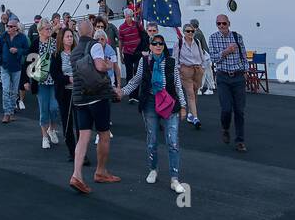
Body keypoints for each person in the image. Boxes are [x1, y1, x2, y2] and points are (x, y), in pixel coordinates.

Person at [121, 33, 186, 193]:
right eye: (155, 43)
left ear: (164, 47)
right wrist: (122, 92)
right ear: (150, 46)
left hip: (169, 102)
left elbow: (178, 85)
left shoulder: (171, 62)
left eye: (161, 44)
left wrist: (183, 105)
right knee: (152, 139)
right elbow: (136, 80)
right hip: (150, 102)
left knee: (173, 141)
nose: (158, 46)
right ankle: (153, 169)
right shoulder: (145, 62)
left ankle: (174, 178)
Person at [69, 18, 123, 194]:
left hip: (79, 99)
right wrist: (108, 64)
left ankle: (76, 174)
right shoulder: (95, 45)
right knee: (104, 134)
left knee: (84, 136)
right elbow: (100, 66)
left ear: (77, 32)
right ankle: (101, 171)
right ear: (92, 31)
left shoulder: (75, 51)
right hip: (97, 97)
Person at [207, 14, 248, 152]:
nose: (222, 26)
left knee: (239, 110)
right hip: (223, 77)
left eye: (224, 23)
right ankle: (225, 128)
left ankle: (240, 141)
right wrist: (226, 51)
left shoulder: (237, 37)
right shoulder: (213, 38)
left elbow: (243, 55)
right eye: (219, 24)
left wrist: (246, 71)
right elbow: (213, 58)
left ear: (229, 23)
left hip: (238, 76)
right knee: (226, 109)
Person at [31, 19, 61, 149]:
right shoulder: (35, 44)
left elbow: (59, 60)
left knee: (54, 108)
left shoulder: (55, 43)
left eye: (50, 28)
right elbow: (28, 62)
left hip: (54, 81)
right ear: (40, 31)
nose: (50, 30)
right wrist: (27, 81)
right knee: (44, 110)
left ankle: (52, 129)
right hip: (41, 81)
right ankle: (44, 136)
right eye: (47, 29)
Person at [0, 15, 29, 124]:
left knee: (14, 92)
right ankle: (7, 113)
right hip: (5, 66)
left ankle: (11, 112)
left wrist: (18, 51)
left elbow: (26, 50)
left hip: (16, 67)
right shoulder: (3, 36)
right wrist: (0, 60)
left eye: (10, 27)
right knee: (5, 90)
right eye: (7, 26)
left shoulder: (22, 38)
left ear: (16, 28)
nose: (8, 28)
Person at [51, 27, 77, 162]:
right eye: (67, 36)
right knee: (67, 122)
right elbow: (55, 74)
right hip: (64, 92)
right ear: (61, 39)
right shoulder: (56, 55)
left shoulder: (78, 53)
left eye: (71, 36)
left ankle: (81, 151)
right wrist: (68, 79)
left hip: (78, 92)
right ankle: (72, 151)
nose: (70, 39)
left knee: (80, 123)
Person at [176, 23, 205, 129]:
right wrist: (179, 70)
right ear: (183, 32)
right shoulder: (179, 43)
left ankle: (190, 114)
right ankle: (196, 118)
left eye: (192, 31)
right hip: (186, 69)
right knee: (190, 93)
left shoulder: (196, 42)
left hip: (197, 69)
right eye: (188, 31)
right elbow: (175, 58)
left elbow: (201, 55)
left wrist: (202, 67)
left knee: (195, 91)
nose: (190, 33)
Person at [118, 6, 144, 94]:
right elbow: (121, 41)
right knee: (129, 73)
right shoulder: (121, 28)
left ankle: (136, 93)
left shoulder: (137, 24)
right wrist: (120, 54)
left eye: (130, 16)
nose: (129, 18)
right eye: (127, 16)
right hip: (127, 53)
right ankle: (130, 93)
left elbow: (143, 34)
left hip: (137, 52)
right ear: (125, 17)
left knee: (137, 72)